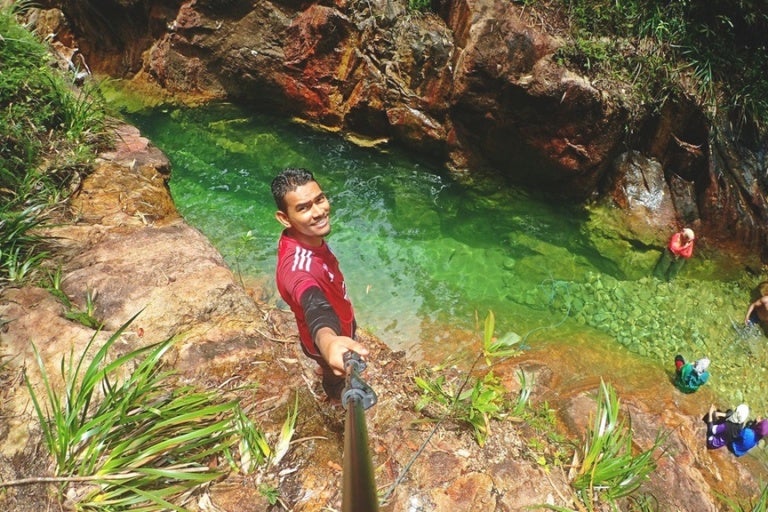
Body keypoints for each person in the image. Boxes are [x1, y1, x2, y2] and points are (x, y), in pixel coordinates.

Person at [272, 168, 369, 400]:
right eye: (303, 208)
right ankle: (335, 395)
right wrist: (328, 343)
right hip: (323, 338)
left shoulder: (306, 238)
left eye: (320, 199)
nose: (318, 212)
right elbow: (313, 303)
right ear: (284, 218)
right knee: (334, 375)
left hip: (342, 319)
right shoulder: (297, 268)